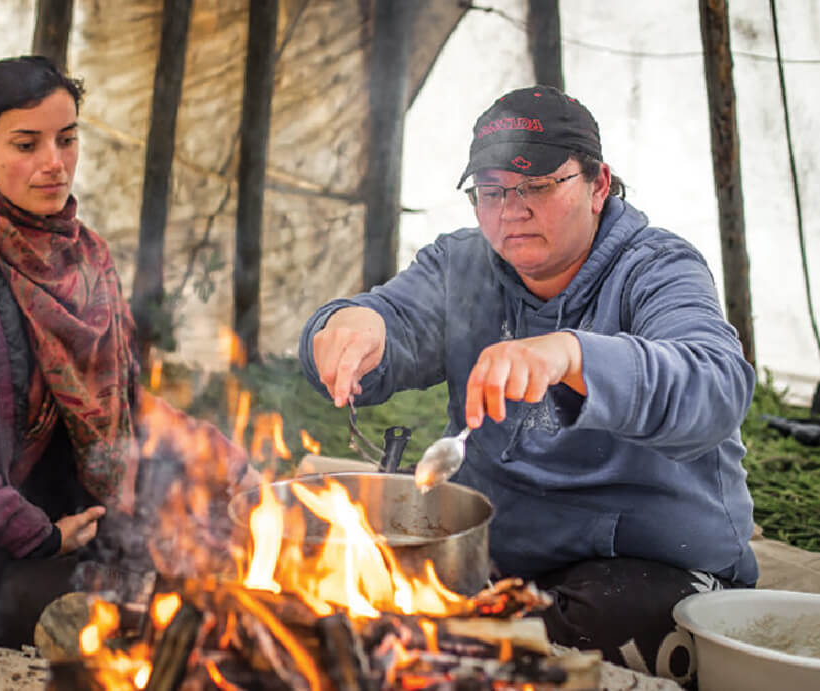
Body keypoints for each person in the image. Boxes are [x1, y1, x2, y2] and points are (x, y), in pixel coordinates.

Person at [299, 85, 757, 682]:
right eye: (491, 192)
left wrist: (572, 355)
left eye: (537, 186)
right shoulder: (462, 264)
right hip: (493, 551)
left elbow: (715, 384)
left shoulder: (657, 268)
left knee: (609, 625)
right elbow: (394, 318)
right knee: (339, 571)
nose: (511, 211)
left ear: (598, 185)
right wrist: (348, 325)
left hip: (634, 563)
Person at [0, 55, 252, 659]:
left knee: (226, 557)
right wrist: (38, 534)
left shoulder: (86, 256)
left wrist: (226, 464)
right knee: (139, 612)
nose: (54, 163)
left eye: (66, 139)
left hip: (71, 517)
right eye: (26, 144)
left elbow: (120, 405)